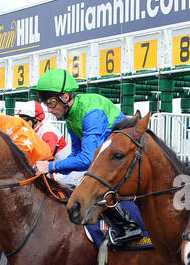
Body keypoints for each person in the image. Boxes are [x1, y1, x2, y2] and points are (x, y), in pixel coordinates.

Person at [30, 68, 142, 244]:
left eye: (51, 102)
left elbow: (87, 159)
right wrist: (54, 173)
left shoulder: (91, 114)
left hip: (127, 157)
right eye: (45, 103)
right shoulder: (71, 118)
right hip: (110, 157)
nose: (49, 109)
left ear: (65, 97)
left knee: (94, 187)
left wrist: (50, 167)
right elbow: (76, 154)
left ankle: (131, 226)